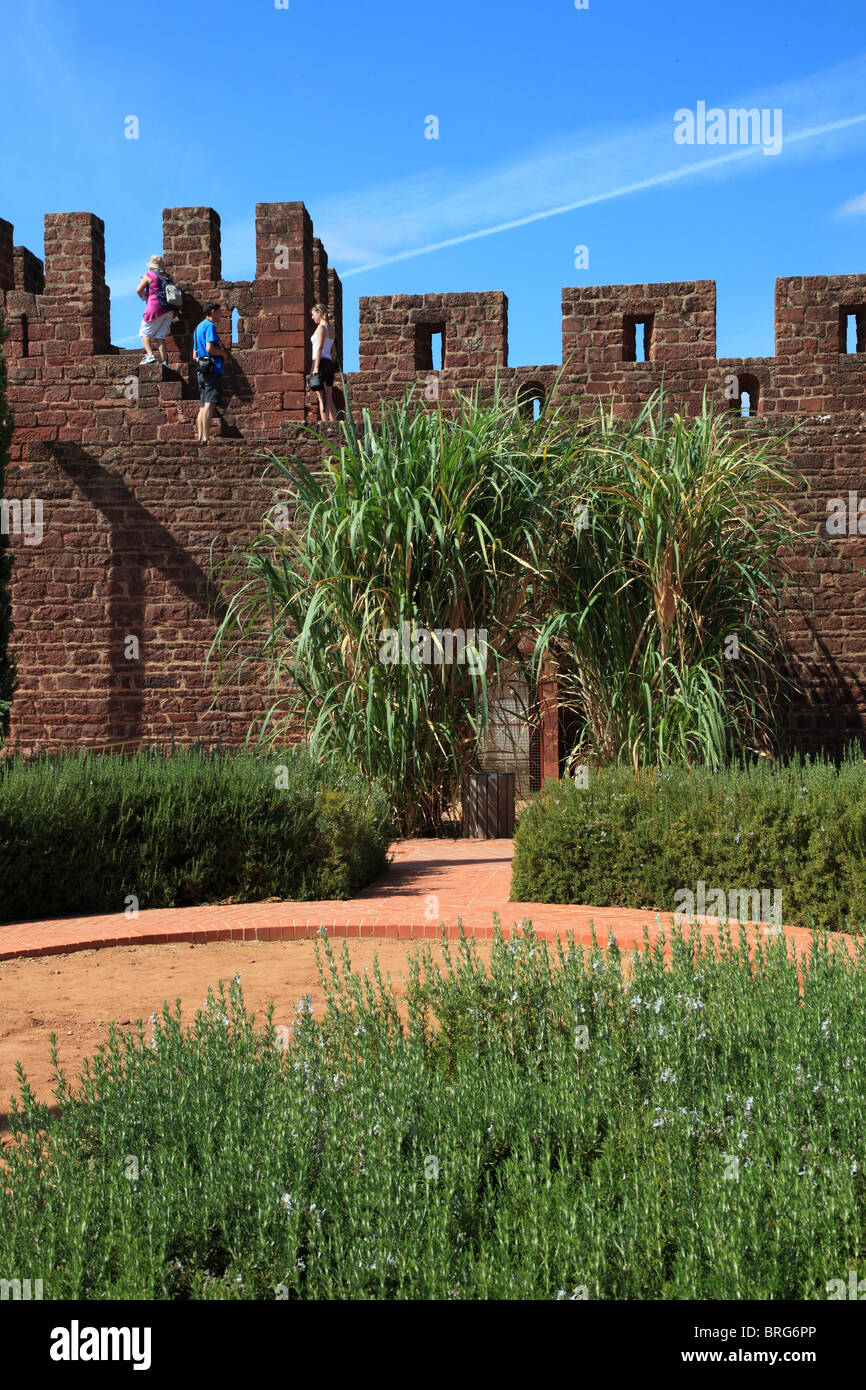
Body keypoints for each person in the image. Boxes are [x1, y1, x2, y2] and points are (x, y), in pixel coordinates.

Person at [193, 302, 227, 444]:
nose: (221, 315)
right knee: (210, 403)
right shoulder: (210, 326)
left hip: (201, 370)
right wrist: (223, 354)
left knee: (202, 405)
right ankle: (206, 437)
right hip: (212, 369)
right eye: (219, 312)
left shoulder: (198, 328)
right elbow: (209, 348)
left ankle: (201, 436)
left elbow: (194, 355)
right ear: (213, 311)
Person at [136, 255, 177, 365]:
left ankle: (149, 355)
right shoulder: (167, 277)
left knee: (144, 333)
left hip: (154, 307)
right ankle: (164, 361)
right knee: (160, 336)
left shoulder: (149, 275)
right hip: (169, 309)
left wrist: (143, 296)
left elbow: (138, 289)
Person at [310, 304, 337, 422]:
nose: (312, 317)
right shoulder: (331, 329)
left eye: (313, 314)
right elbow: (334, 352)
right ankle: (335, 425)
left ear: (319, 313)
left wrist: (316, 367)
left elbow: (319, 347)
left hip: (319, 361)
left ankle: (325, 425)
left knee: (321, 397)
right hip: (329, 363)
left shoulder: (321, 328)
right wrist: (330, 364)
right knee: (329, 397)